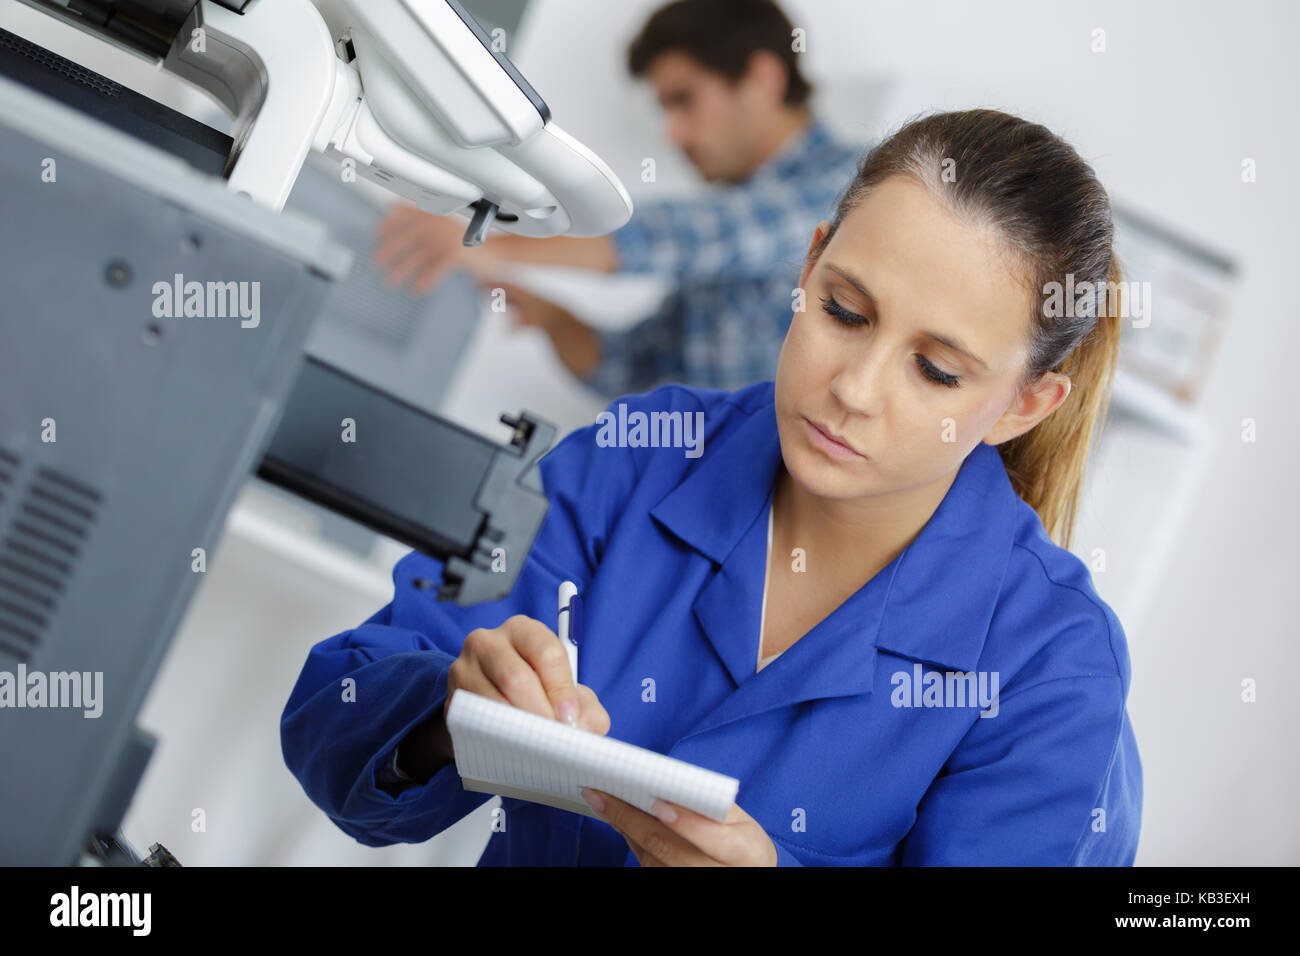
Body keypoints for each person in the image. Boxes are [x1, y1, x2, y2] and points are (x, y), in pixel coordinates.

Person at [281, 109, 1143, 866]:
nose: (855, 388)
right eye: (845, 312)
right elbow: (335, 711)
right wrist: (447, 711)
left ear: (1023, 405)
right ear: (808, 269)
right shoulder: (640, 460)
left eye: (935, 370)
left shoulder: (1050, 667)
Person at [370, 0, 864, 397]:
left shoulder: (855, 187)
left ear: (762, 79)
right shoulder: (731, 235)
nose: (671, 134)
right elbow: (631, 370)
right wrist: (549, 315)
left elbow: (678, 237)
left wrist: (481, 242)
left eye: (684, 100)